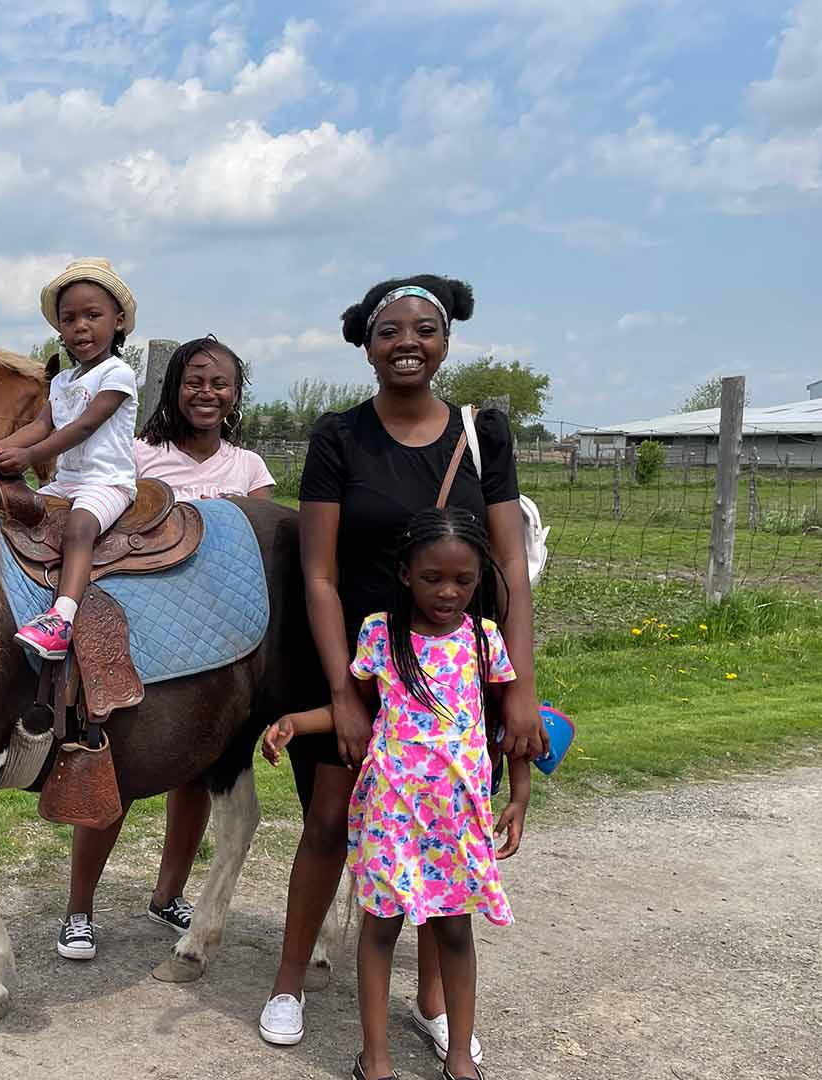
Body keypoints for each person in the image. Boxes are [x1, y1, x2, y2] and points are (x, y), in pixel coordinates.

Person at [259, 275, 548, 1059]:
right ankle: (289, 979)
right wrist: (341, 697)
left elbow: (510, 569)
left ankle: (430, 1003)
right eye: (390, 331)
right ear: (366, 343)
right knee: (326, 822)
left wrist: (519, 691)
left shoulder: (483, 431)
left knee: (444, 829)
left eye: (425, 328)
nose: (408, 342)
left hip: (454, 669)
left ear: (447, 339)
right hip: (358, 658)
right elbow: (319, 574)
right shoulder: (339, 438)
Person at [57, 335, 275, 960]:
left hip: (223, 642)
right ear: (172, 389)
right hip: (144, 629)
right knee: (118, 767)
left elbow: (260, 558)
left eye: (221, 383)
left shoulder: (250, 469)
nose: (207, 393)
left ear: (236, 395)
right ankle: (79, 909)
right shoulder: (138, 456)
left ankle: (167, 894)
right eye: (194, 380)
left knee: (198, 776)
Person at [343, 507, 530, 1080]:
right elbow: (350, 709)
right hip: (391, 814)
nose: (449, 592)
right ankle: (374, 1059)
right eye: (433, 578)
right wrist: (294, 724)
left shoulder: (484, 639)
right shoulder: (380, 633)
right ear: (405, 574)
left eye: (464, 581)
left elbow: (509, 725)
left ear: (480, 580)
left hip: (457, 817)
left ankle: (458, 1058)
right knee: (380, 927)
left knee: (454, 927)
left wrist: (519, 796)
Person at [0, 257, 139, 662]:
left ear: (118, 321)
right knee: (13, 519)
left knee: (79, 527)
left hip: (107, 481)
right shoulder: (63, 381)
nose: (80, 326)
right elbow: (40, 424)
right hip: (67, 481)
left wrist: (28, 457)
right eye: (69, 319)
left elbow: (83, 427)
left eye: (93, 315)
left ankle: (61, 618)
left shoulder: (117, 374)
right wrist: (0, 447)